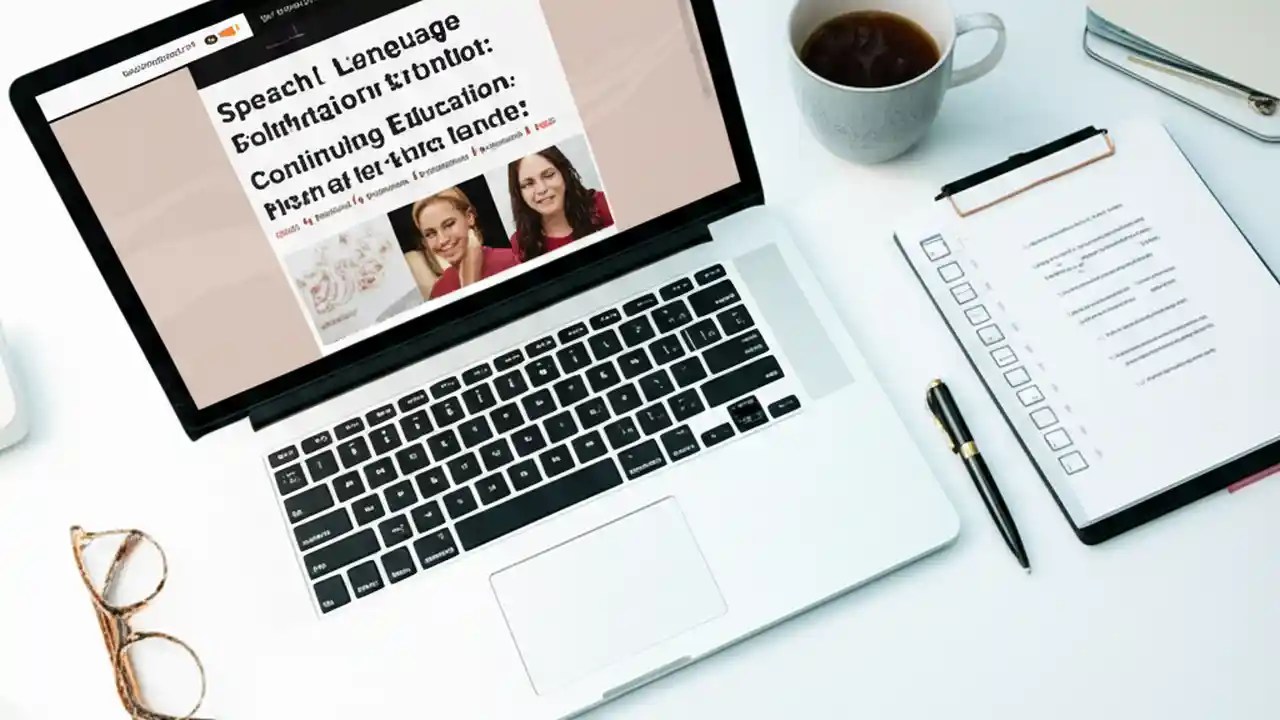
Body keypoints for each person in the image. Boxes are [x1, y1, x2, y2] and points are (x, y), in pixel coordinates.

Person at [507, 145, 614, 262]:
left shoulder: (604, 204)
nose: (542, 189)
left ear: (564, 174)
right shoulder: (521, 243)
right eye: (528, 184)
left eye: (548, 175)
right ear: (519, 193)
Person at [412, 187, 518, 300]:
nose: (442, 240)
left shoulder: (512, 261)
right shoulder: (439, 291)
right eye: (430, 234)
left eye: (449, 225)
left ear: (469, 217)